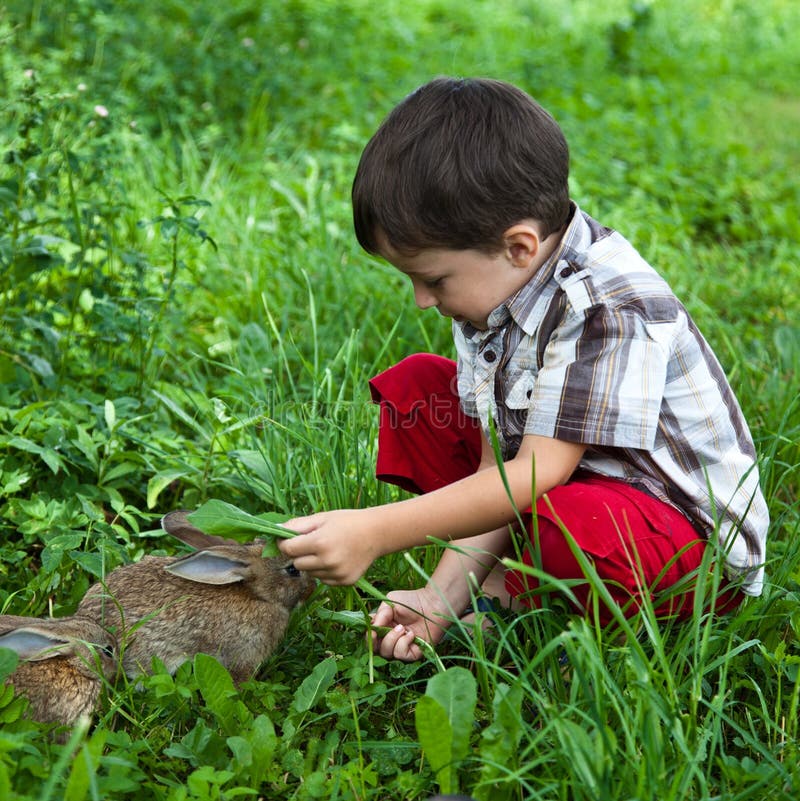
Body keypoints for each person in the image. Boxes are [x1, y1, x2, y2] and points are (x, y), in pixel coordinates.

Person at [279, 77, 769, 661]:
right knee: (417, 391)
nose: (421, 300)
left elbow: (533, 475)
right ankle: (498, 588)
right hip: (563, 488)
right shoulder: (495, 291)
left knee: (564, 521)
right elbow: (498, 463)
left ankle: (519, 597)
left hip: (681, 544)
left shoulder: (605, 309)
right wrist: (439, 596)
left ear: (519, 246)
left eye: (433, 279)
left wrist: (375, 530)